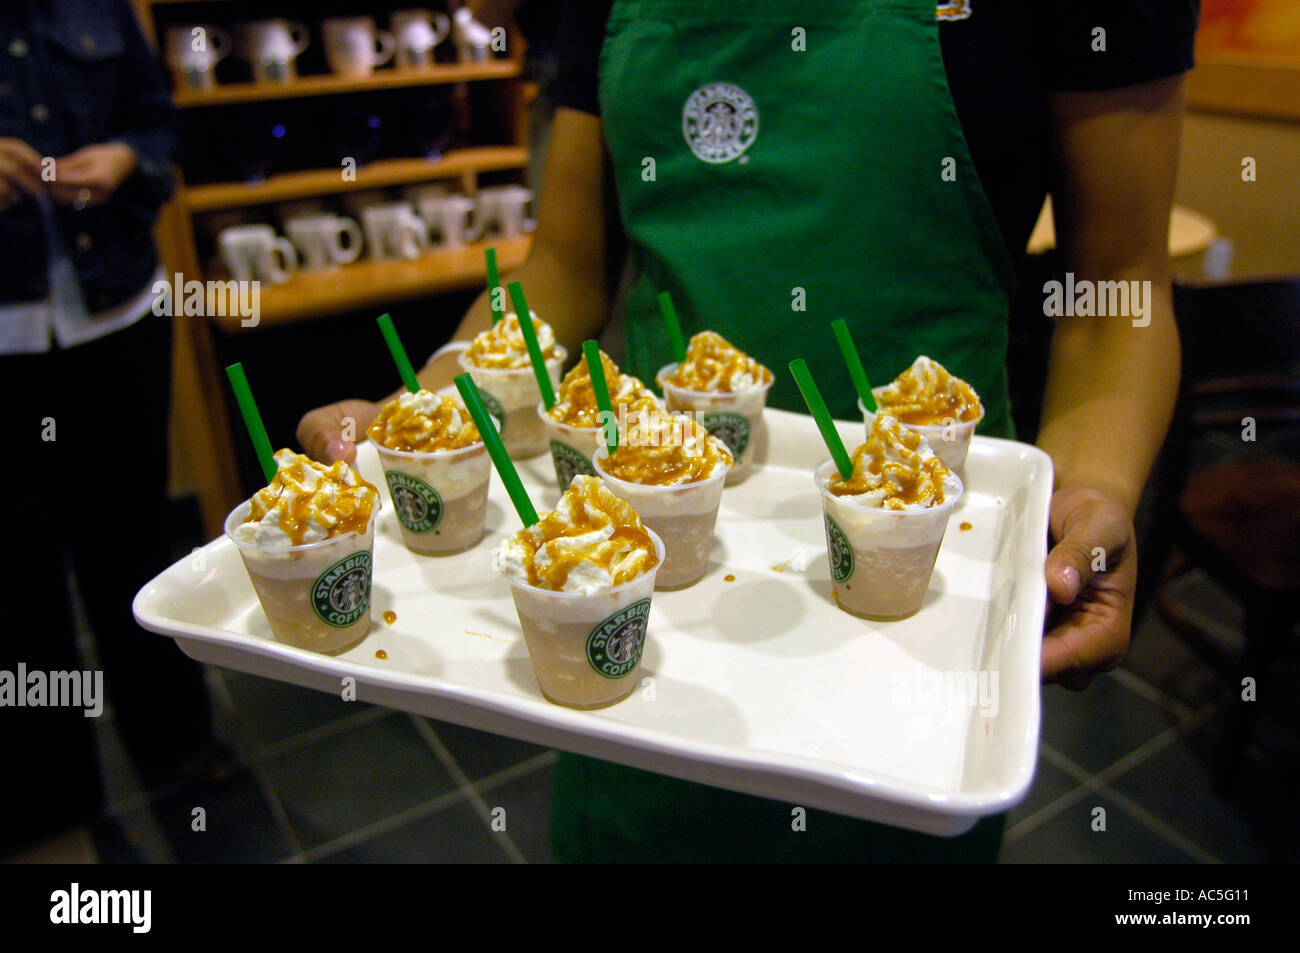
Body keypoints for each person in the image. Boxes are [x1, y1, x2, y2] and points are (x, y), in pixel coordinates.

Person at [299, 0, 1195, 861]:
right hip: (638, 563)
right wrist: (428, 403)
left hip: (932, 583)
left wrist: (1098, 489)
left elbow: (1118, 289)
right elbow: (563, 268)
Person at [0, 0, 217, 851]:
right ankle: (51, 798)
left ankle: (178, 744)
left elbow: (158, 121)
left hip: (117, 310)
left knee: (132, 537)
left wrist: (127, 157)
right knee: (17, 578)